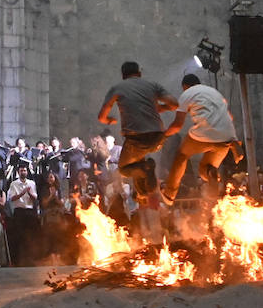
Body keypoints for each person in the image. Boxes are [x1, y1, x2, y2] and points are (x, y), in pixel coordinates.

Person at [97, 61, 180, 201]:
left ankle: (145, 169)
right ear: (139, 73)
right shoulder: (152, 85)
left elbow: (101, 117)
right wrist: (161, 108)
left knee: (124, 169)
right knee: (137, 161)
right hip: (158, 138)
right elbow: (174, 104)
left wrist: (109, 120)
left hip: (136, 140)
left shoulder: (118, 88)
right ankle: (143, 191)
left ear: (123, 75)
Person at [163, 73, 242, 204]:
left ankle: (170, 193)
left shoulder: (187, 94)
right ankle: (211, 172)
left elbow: (177, 125)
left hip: (205, 133)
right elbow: (231, 117)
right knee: (205, 170)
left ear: (185, 87)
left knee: (182, 155)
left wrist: (163, 136)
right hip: (227, 137)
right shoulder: (215, 92)